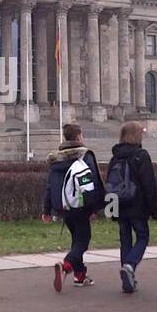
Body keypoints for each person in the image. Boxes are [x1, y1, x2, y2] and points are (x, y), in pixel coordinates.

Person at [41, 123, 105, 291]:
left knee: (77, 239)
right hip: (81, 206)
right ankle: (67, 265)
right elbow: (93, 183)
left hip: (64, 207)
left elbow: (50, 185)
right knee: (83, 241)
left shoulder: (57, 158)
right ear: (78, 137)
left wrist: (47, 210)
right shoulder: (84, 155)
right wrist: (95, 208)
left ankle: (80, 275)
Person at [108, 121, 157, 293]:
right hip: (137, 205)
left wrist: (112, 210)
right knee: (143, 236)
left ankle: (128, 279)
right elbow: (149, 185)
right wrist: (155, 210)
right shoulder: (141, 155)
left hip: (120, 205)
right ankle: (130, 266)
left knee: (125, 239)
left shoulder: (115, 156)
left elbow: (109, 184)